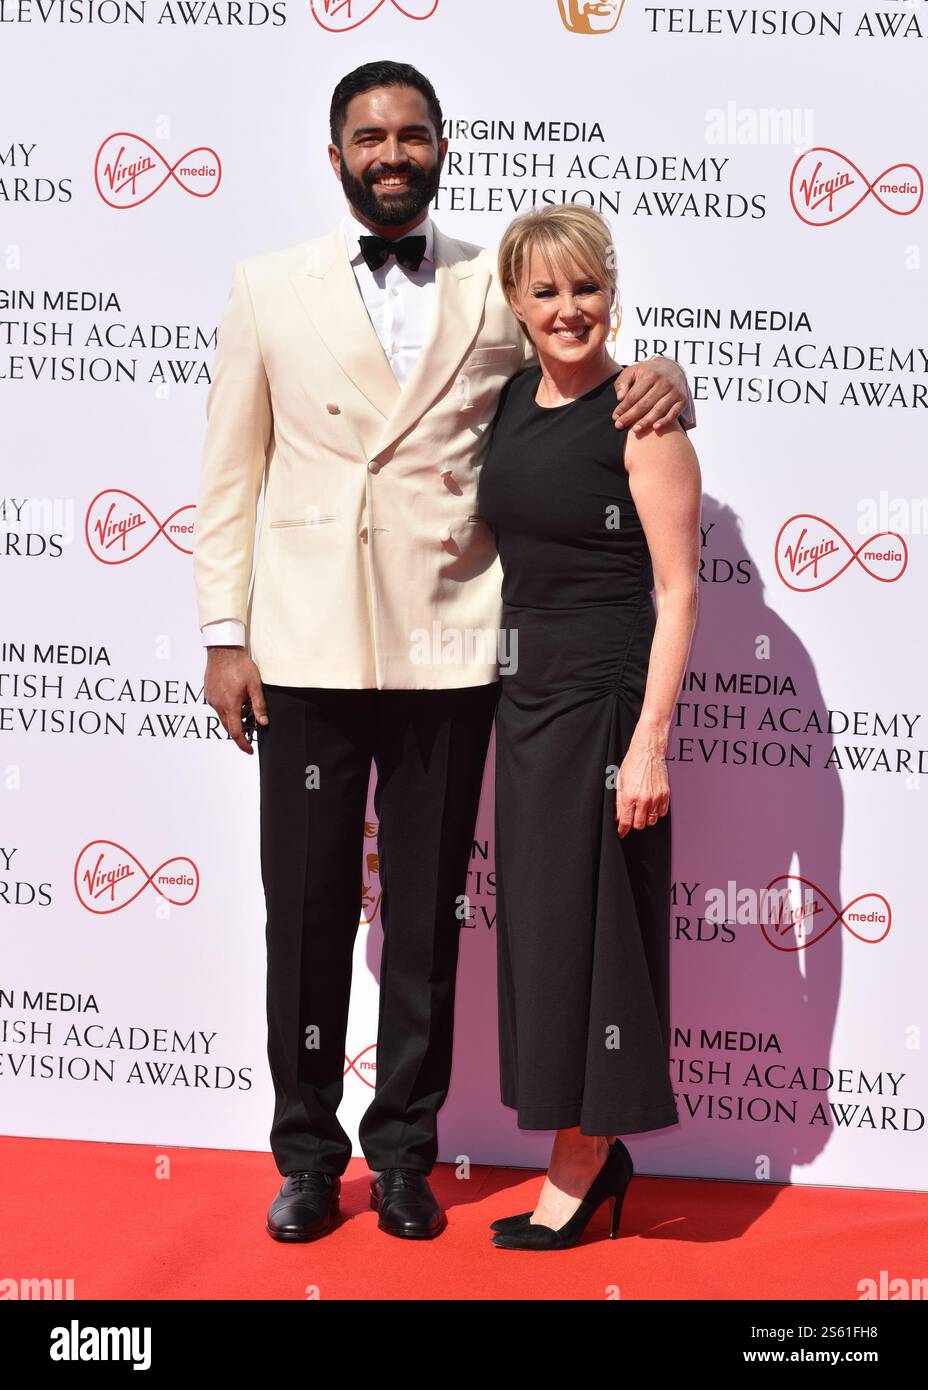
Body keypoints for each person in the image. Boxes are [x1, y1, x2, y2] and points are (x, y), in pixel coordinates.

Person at [193, 60, 696, 1244]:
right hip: (306, 648)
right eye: (369, 137)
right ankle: (306, 1156)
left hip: (452, 650)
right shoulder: (266, 287)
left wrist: (668, 376)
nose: (391, 154)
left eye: (412, 135)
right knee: (305, 917)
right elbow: (229, 470)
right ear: (335, 155)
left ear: (440, 148)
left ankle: (405, 1156)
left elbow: (582, 371)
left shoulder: (493, 285)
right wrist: (224, 633)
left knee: (425, 922)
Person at [477, 205, 701, 1250]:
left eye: (587, 288)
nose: (569, 309)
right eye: (546, 292)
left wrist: (648, 742)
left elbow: (679, 590)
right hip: (524, 702)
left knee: (600, 926)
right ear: (515, 303)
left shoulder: (644, 416)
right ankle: (584, 1146)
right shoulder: (506, 400)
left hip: (606, 700)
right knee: (546, 928)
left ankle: (585, 1153)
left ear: (612, 292)